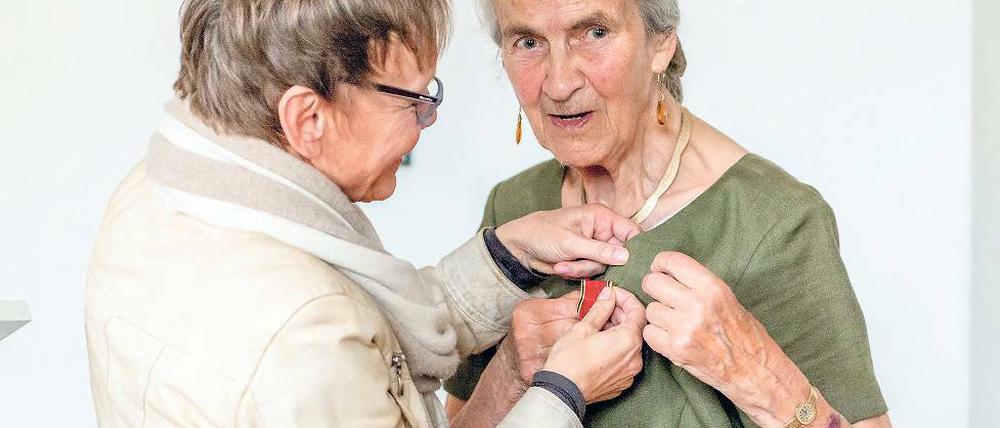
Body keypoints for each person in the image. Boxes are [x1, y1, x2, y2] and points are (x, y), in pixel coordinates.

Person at [83, 0, 647, 426]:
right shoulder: (304, 342)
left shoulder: (158, 193)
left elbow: (369, 325)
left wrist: (508, 255)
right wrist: (561, 394)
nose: (428, 123)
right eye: (414, 101)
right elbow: (330, 330)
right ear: (308, 119)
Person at [445, 0, 893, 427]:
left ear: (661, 43)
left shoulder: (775, 221)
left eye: (594, 33)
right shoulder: (514, 210)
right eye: (528, 42)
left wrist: (758, 375)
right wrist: (510, 372)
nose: (559, 84)